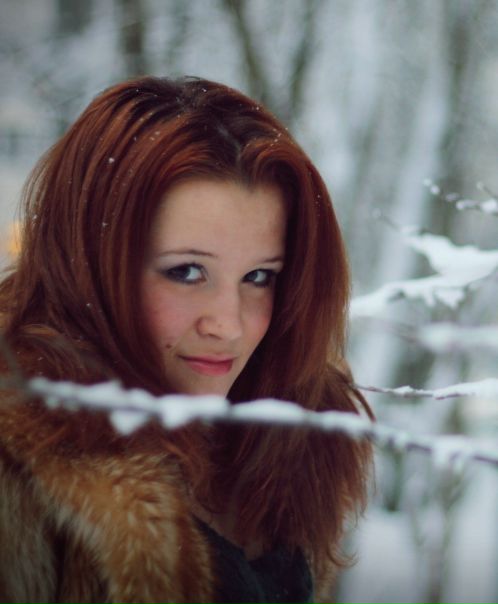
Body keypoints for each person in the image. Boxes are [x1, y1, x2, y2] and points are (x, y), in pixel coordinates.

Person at [0, 76, 373, 604]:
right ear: (91, 266)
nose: (229, 324)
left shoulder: (292, 449)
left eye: (259, 276)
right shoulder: (18, 467)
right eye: (187, 272)